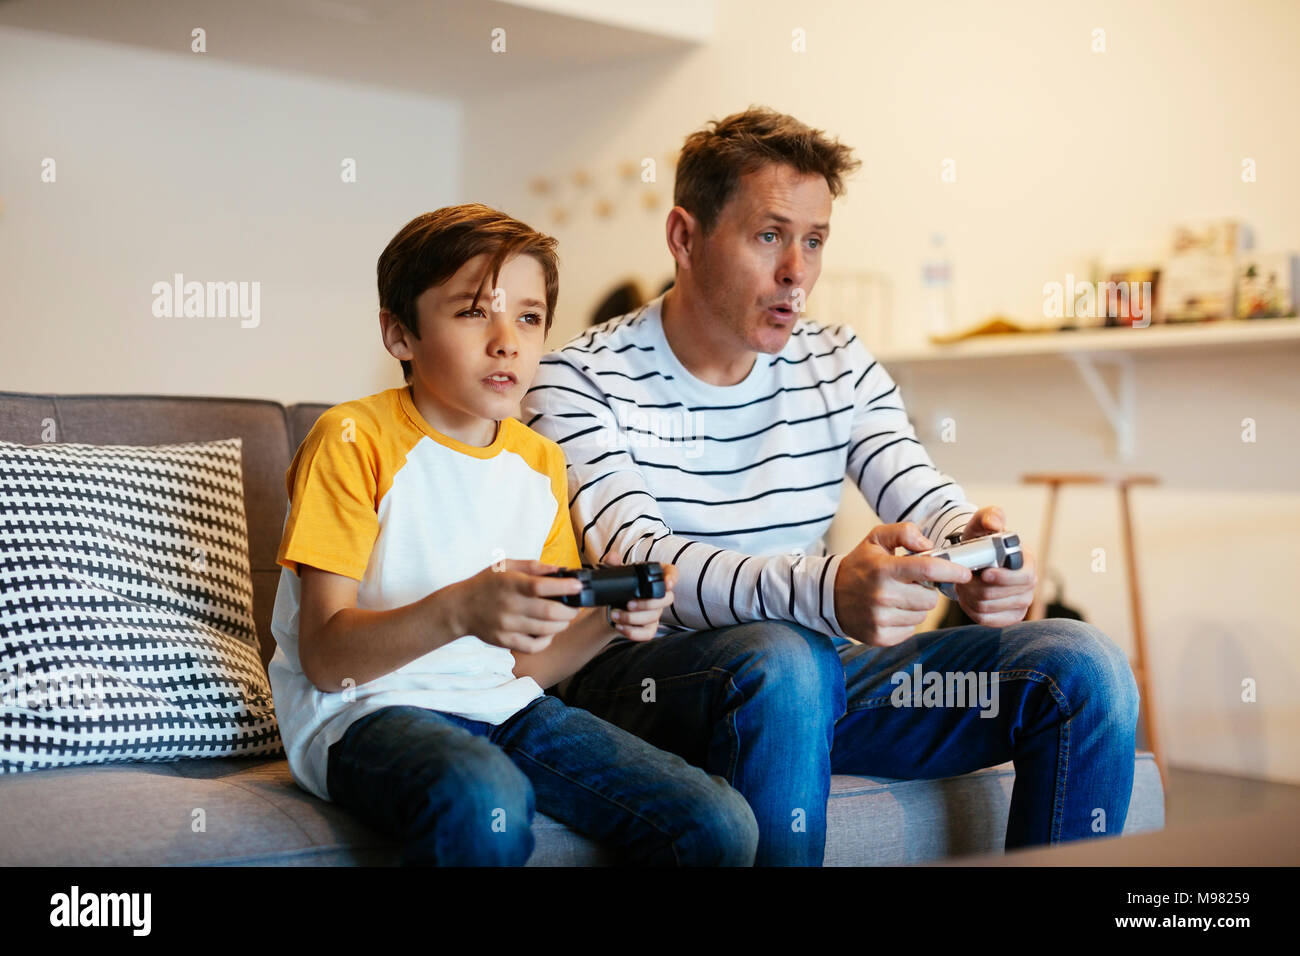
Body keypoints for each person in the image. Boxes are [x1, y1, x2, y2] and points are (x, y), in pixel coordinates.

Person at [522, 107, 1140, 866]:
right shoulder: (578, 379)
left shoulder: (836, 362)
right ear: (685, 237)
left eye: (814, 241)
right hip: (642, 686)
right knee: (786, 658)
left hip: (811, 685)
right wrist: (827, 591)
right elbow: (641, 562)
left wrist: (974, 547)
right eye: (770, 236)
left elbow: (916, 486)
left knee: (1081, 667)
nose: (797, 273)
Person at [266, 204, 759, 866]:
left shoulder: (540, 460)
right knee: (481, 790)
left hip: (504, 704)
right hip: (363, 712)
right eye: (474, 312)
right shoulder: (353, 438)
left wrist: (610, 622)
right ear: (399, 333)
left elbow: (527, 665)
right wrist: (461, 608)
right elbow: (327, 661)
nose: (507, 341)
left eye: (528, 317)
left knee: (719, 824)